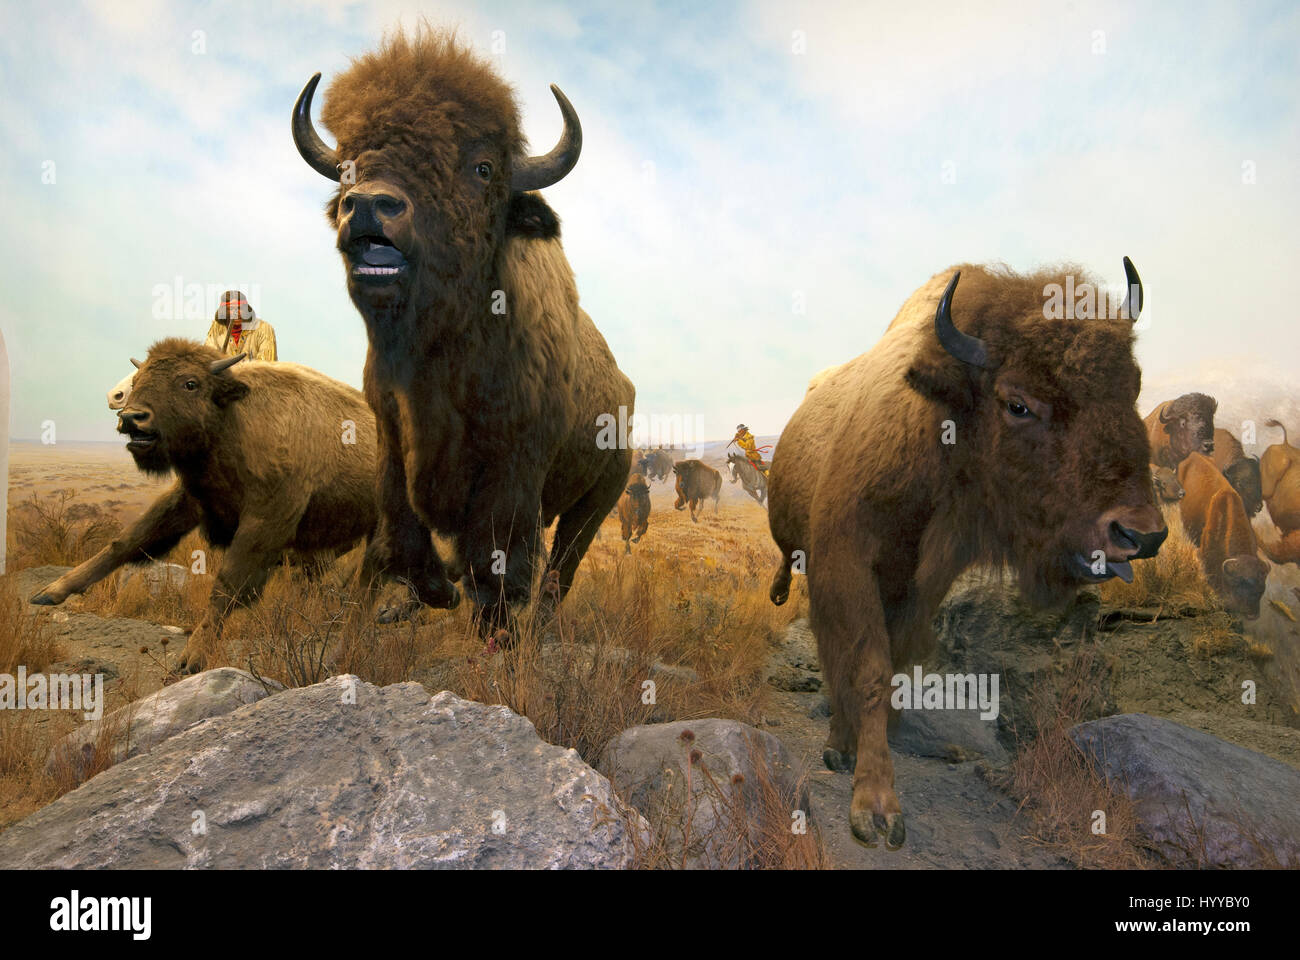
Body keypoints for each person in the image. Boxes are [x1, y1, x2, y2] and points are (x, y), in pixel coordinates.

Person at [204, 290, 277, 360]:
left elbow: (266, 363)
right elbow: (209, 358)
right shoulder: (217, 328)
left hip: (254, 369)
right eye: (231, 308)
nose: (236, 313)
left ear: (246, 309)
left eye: (240, 308)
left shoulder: (263, 328)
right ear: (224, 311)